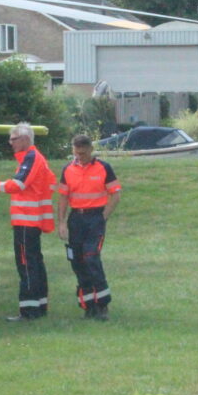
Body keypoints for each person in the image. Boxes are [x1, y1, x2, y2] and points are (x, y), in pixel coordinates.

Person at [0, 122, 56, 322]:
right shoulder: (34, 158)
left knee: (27, 264)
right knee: (34, 262)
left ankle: (29, 310)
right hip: (31, 220)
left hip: (27, 221)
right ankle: (39, 306)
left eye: (13, 139)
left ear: (26, 139)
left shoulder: (32, 157)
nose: (10, 143)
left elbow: (18, 185)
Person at [56, 134, 122, 321]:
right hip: (76, 219)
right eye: (77, 154)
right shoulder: (67, 169)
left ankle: (103, 305)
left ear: (91, 150)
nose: (80, 157)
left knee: (91, 258)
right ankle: (88, 305)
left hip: (95, 218)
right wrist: (61, 222)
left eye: (83, 154)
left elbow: (115, 194)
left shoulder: (104, 168)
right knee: (77, 262)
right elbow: (63, 197)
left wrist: (103, 217)